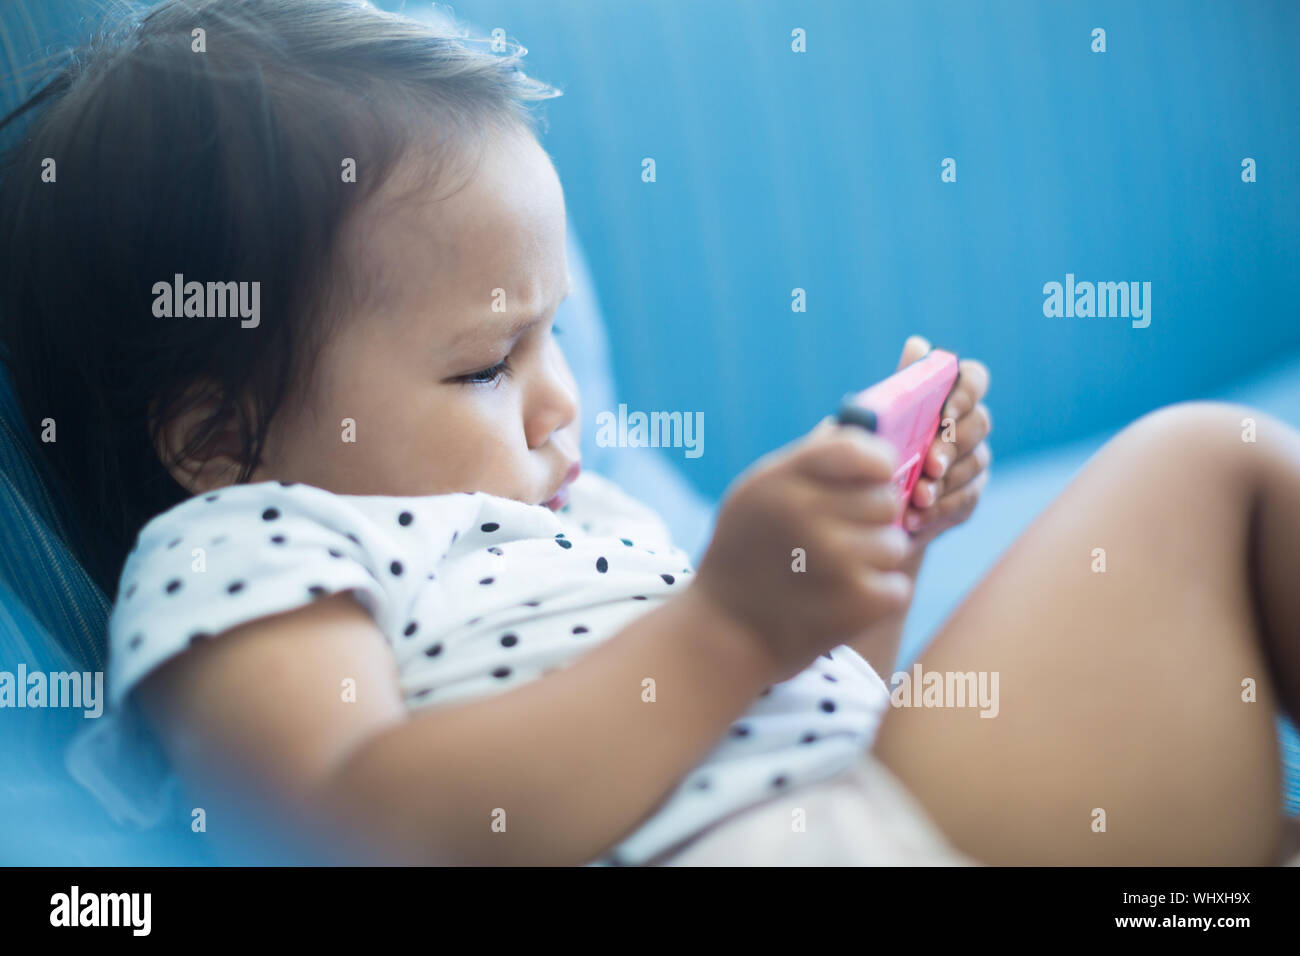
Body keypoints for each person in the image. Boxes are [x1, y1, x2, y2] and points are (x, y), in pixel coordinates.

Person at [1, 0, 1296, 866]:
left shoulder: (589, 525)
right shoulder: (247, 548)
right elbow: (353, 824)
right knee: (1210, 470)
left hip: (850, 813)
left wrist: (855, 568)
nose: (563, 403)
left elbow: (804, 709)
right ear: (217, 440)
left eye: (553, 333)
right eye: (483, 363)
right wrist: (727, 626)